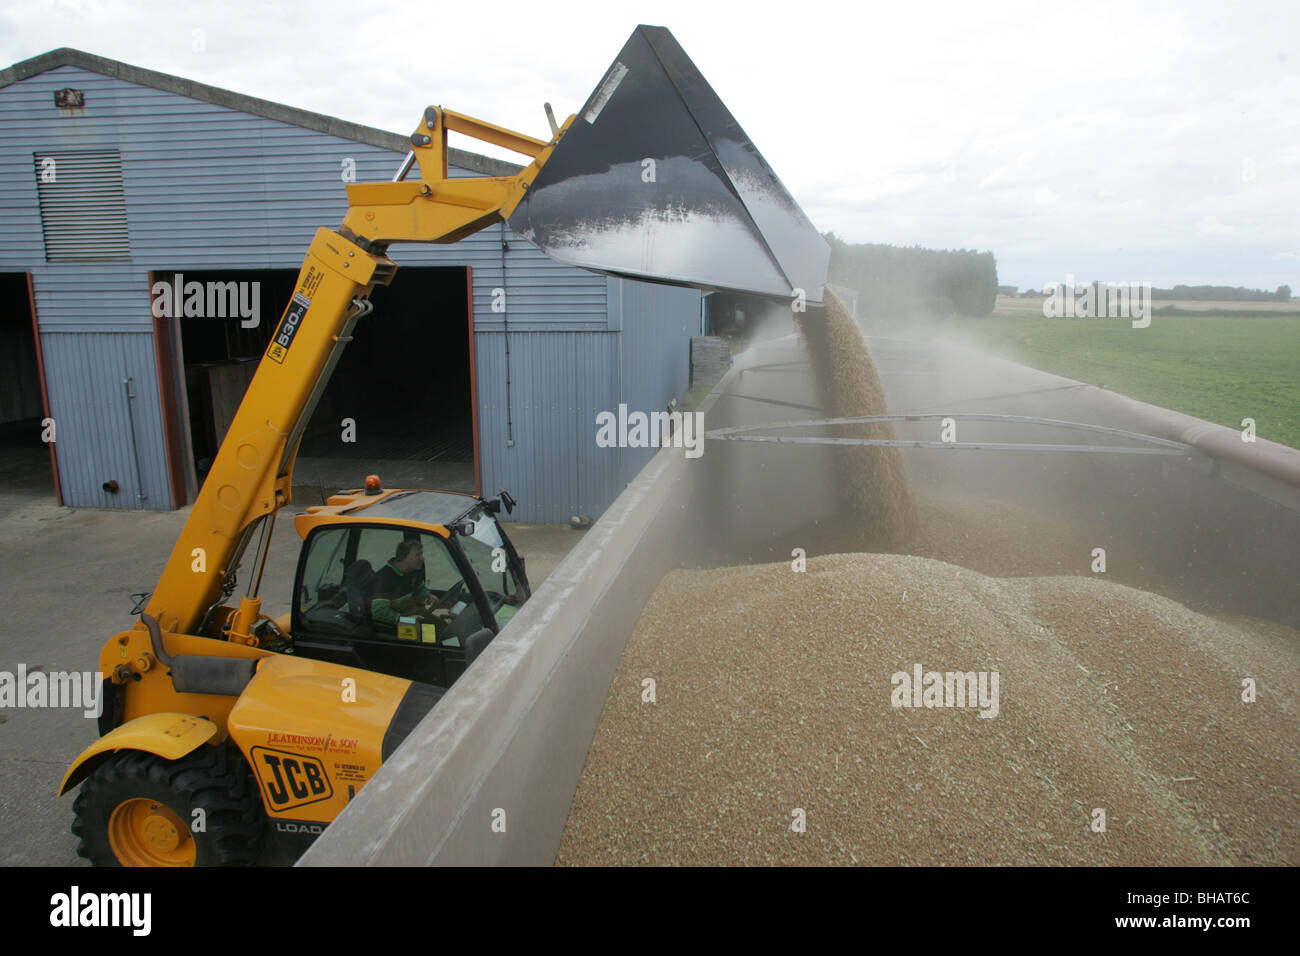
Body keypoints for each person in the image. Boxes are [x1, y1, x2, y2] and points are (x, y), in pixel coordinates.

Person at [369, 539, 436, 626]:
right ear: (403, 557)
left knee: (444, 627)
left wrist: (428, 596)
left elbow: (419, 589)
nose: (422, 558)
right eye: (418, 555)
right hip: (398, 627)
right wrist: (406, 620)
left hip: (416, 615)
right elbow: (379, 612)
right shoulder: (385, 578)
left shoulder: (412, 571)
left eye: (421, 554)